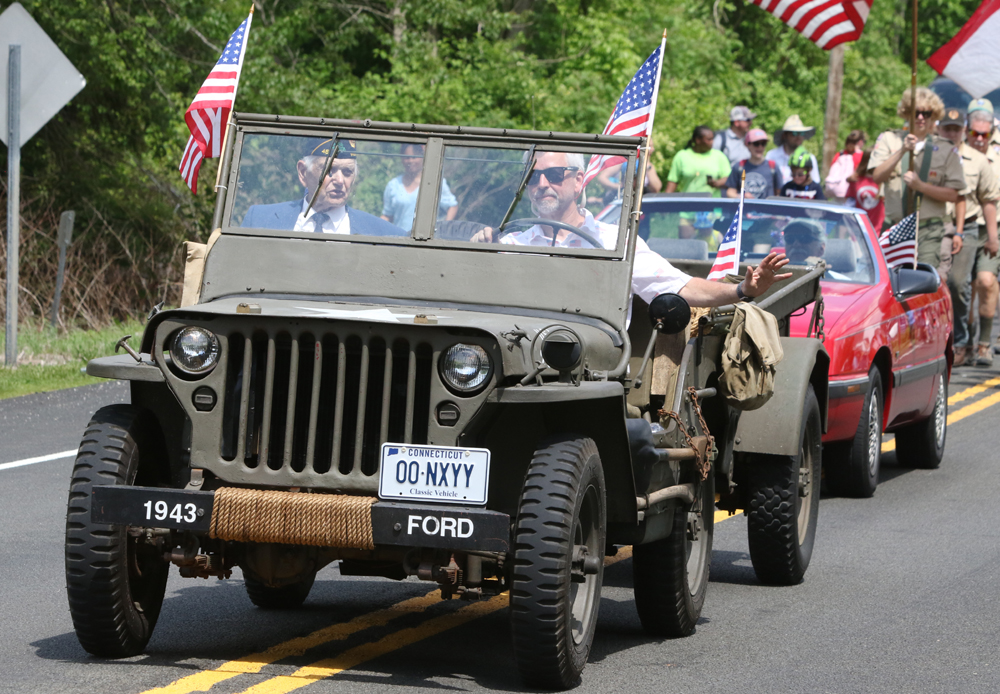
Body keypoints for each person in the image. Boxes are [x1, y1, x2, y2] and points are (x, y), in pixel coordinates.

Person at [472, 150, 792, 308]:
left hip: (589, 364)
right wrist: (477, 249)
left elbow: (682, 288)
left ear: (579, 180)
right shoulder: (513, 242)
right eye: (533, 177)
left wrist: (742, 291)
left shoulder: (615, 242)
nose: (542, 184)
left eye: (555, 174)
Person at [869, 87, 967, 277]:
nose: (921, 117)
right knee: (891, 284)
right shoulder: (890, 139)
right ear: (907, 113)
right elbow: (877, 176)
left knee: (923, 281)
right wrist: (902, 151)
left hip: (928, 230)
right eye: (916, 112)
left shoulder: (945, 149)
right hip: (895, 228)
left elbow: (953, 194)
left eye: (926, 113)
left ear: (933, 116)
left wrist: (921, 187)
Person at [241, 138, 403, 236]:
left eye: (347, 172)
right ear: (303, 172)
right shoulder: (259, 220)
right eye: (328, 170)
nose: (340, 180)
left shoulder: (383, 234)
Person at [950, 108, 1000, 366]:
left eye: (984, 134)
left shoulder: (997, 156)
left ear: (991, 133)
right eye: (974, 132)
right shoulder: (954, 155)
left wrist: (994, 237)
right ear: (967, 131)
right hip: (966, 227)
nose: (979, 138)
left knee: (986, 281)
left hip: (993, 229)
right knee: (960, 286)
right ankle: (966, 342)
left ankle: (984, 343)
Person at [381, 143, 458, 232]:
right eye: (407, 157)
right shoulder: (393, 185)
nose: (410, 161)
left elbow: (452, 206)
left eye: (414, 157)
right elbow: (387, 216)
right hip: (400, 239)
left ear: (423, 157)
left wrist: (443, 230)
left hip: (425, 242)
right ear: (402, 159)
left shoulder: (435, 182)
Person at [665, 126, 732, 197]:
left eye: (712, 139)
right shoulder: (682, 156)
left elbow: (729, 179)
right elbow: (672, 182)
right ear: (698, 140)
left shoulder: (719, 156)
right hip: (688, 205)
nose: (712, 142)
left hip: (711, 205)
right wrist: (665, 203)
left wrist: (717, 183)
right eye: (709, 139)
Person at [726, 128, 783, 199]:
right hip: (745, 209)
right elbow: (730, 192)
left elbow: (779, 193)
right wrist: (741, 197)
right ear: (747, 144)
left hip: (766, 209)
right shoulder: (739, 166)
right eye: (756, 144)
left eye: (763, 144)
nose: (760, 147)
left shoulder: (773, 167)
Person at [767, 115, 821, 184]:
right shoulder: (772, 156)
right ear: (785, 135)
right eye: (794, 133)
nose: (799, 137)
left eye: (801, 133)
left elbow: (815, 183)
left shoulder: (810, 158)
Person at [845, 150, 885, 231]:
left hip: (876, 225)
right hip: (858, 226)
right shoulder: (856, 179)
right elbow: (849, 203)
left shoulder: (883, 179)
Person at [825, 130, 867, 200]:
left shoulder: (840, 154)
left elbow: (832, 167)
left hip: (836, 187)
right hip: (851, 189)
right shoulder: (859, 155)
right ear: (859, 142)